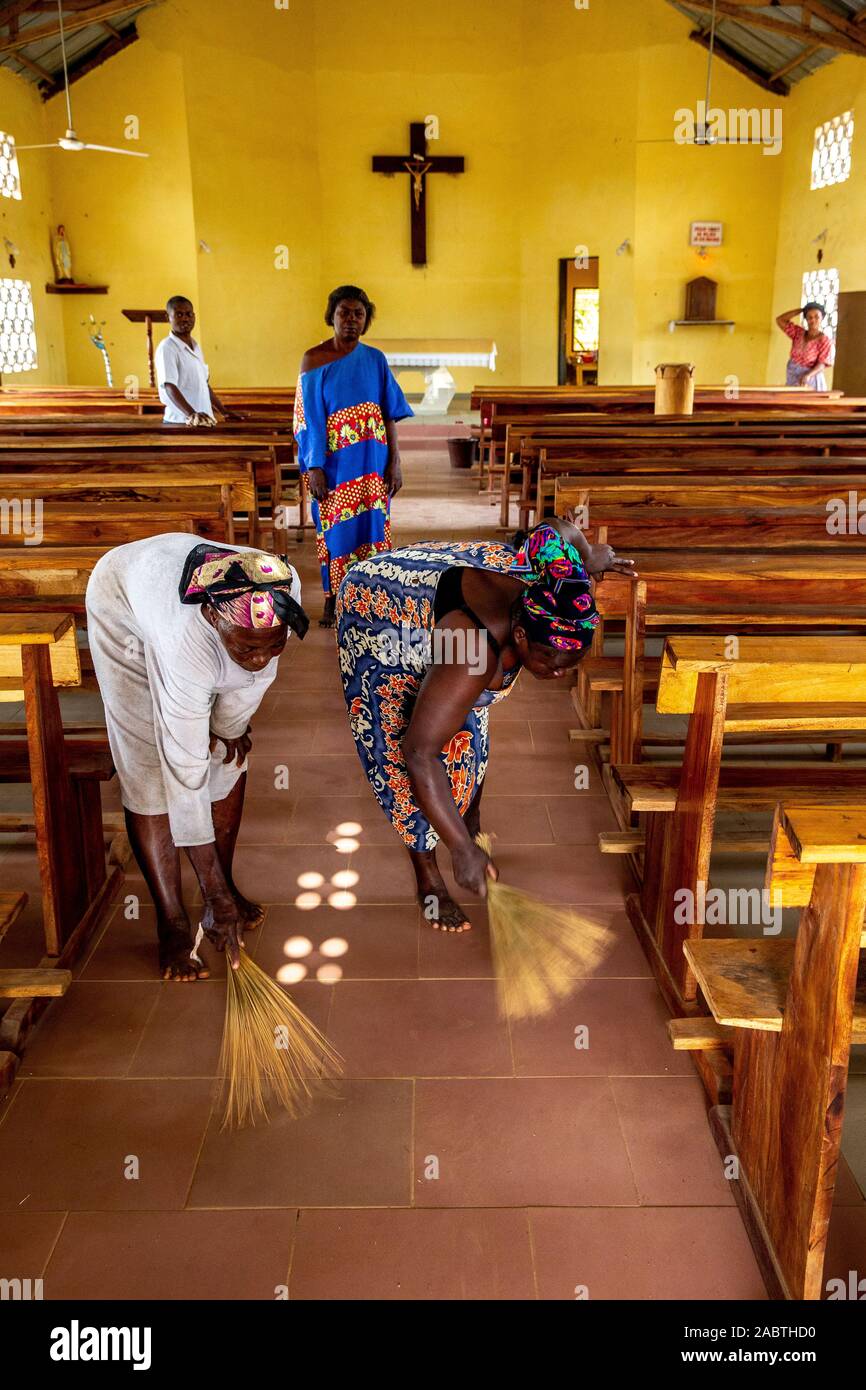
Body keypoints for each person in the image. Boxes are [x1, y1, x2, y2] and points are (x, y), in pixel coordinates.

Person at [335, 520, 634, 932]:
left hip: (450, 585)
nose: (558, 672)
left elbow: (559, 529)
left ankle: (467, 821)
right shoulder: (472, 651)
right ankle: (430, 879)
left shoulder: (564, 578)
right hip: (384, 607)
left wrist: (588, 555)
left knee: (468, 737)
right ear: (520, 633)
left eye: (571, 663)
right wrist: (459, 850)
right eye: (549, 658)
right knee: (404, 744)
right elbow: (418, 754)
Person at [86, 535, 308, 980]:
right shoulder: (185, 636)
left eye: (275, 644)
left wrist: (229, 728)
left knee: (229, 753)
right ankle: (172, 921)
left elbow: (255, 680)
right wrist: (211, 894)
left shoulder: (284, 590)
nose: (260, 658)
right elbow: (184, 772)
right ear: (212, 617)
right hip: (123, 605)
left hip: (171, 590)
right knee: (151, 768)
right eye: (246, 648)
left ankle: (222, 885)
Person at [294, 285, 412, 626]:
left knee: (373, 526)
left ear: (366, 320)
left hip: (372, 462)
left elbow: (388, 412)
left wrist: (396, 461)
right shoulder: (313, 360)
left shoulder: (375, 359)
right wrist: (314, 466)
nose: (351, 319)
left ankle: (371, 596)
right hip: (334, 463)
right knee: (335, 530)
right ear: (331, 316)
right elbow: (308, 419)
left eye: (358, 314)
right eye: (344, 312)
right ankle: (333, 598)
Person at [155, 295, 238, 426]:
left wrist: (223, 411)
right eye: (179, 315)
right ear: (168, 317)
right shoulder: (167, 347)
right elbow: (169, 386)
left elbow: (204, 384)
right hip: (181, 422)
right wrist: (192, 414)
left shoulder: (195, 346)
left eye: (189, 314)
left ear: (194, 316)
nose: (185, 319)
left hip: (204, 420)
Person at [776, 301, 834, 389]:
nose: (813, 320)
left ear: (822, 318)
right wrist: (802, 310)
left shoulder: (824, 340)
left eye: (816, 317)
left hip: (810, 377)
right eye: (809, 317)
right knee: (791, 400)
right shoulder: (798, 333)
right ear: (806, 319)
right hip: (793, 374)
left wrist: (808, 375)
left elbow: (822, 364)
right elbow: (780, 320)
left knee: (808, 400)